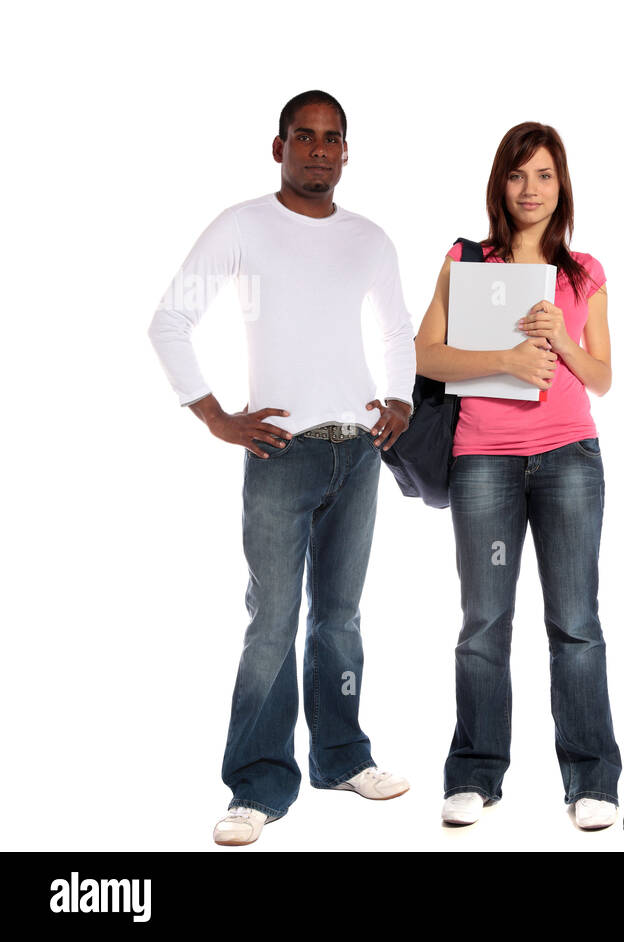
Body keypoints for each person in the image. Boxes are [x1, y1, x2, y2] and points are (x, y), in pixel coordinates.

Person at [148, 90, 416, 846]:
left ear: (345, 151)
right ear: (279, 147)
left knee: (340, 618)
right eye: (305, 137)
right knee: (272, 622)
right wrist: (214, 415)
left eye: (333, 139)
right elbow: (170, 320)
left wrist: (397, 399)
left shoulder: (368, 238)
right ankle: (257, 784)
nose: (320, 150)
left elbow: (396, 327)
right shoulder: (244, 225)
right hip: (279, 453)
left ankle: (340, 756)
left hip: (358, 453)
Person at [414, 122, 621, 831]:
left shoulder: (584, 270)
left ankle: (591, 778)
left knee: (576, 623)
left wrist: (560, 338)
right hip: (485, 460)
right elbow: (428, 356)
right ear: (500, 184)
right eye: (517, 175)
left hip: (568, 458)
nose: (530, 190)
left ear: (561, 186)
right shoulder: (467, 260)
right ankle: (475, 773)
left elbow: (603, 377)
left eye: (544, 176)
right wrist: (503, 360)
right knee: (484, 623)